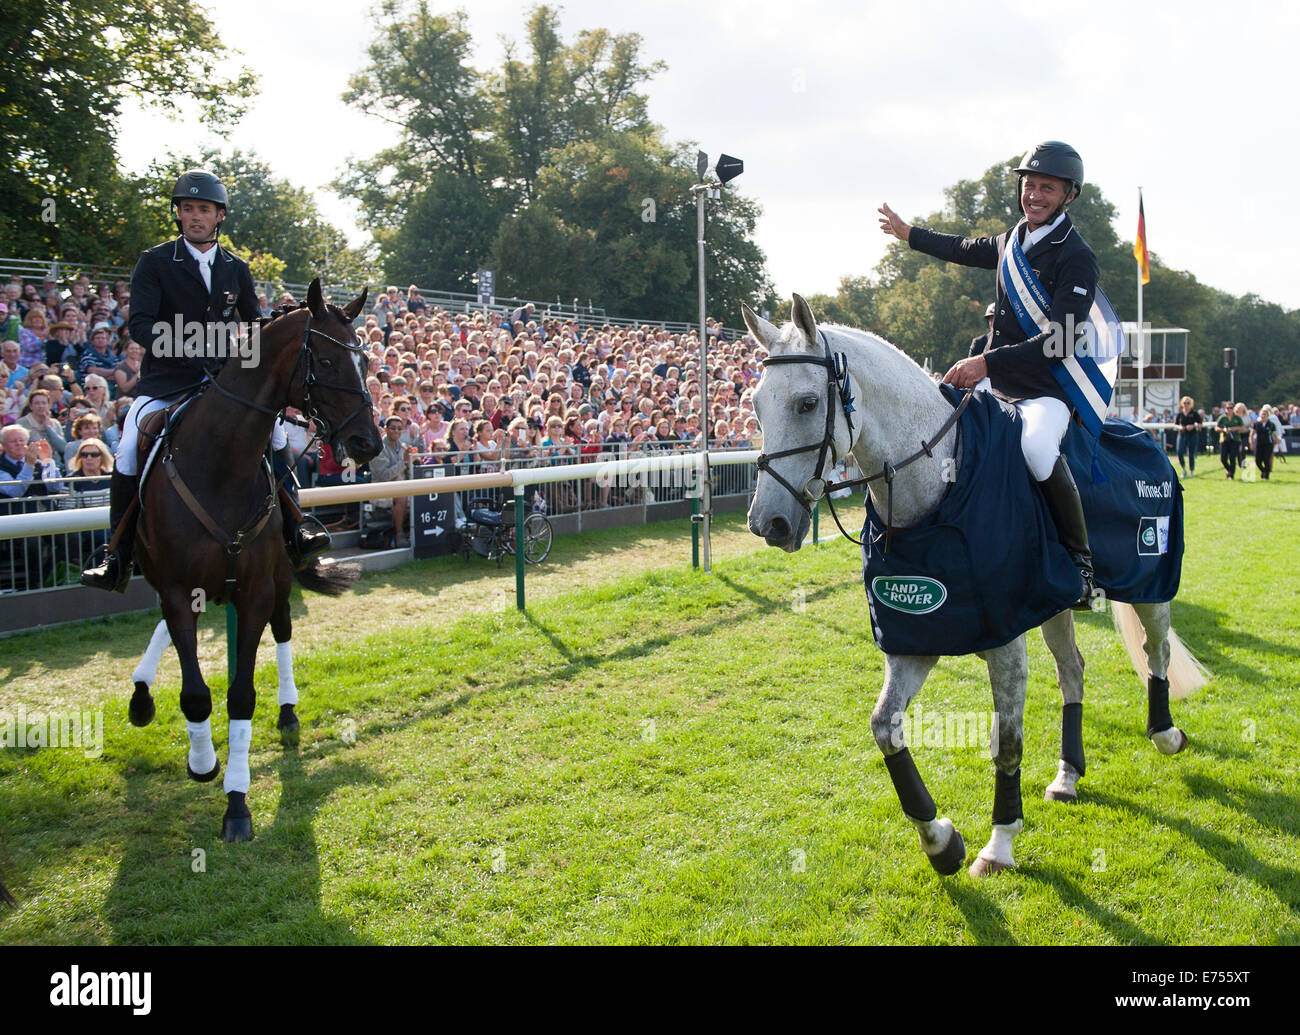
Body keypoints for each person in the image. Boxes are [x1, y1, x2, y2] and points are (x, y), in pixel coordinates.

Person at [879, 140, 1100, 609]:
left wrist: (986, 363)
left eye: (1047, 188)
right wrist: (909, 234)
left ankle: (1080, 565)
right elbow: (962, 248)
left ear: (1069, 195)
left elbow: (1060, 341)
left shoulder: (1076, 256)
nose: (1034, 195)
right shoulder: (1011, 242)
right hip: (995, 384)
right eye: (1029, 185)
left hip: (1046, 391)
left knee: (1036, 449)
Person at [82, 169, 326, 590]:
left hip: (225, 385)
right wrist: (189, 345)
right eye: (189, 208)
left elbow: (253, 323)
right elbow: (140, 325)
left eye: (204, 209)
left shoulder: (236, 267)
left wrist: (281, 324)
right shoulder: (155, 261)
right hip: (166, 383)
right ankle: (116, 553)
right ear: (178, 214)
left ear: (219, 216)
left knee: (277, 437)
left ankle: (297, 527)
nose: (196, 216)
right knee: (126, 448)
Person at [1174, 396, 1202, 478]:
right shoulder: (1180, 414)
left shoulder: (1194, 413)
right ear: (1182, 404)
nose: (1186, 404)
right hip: (1182, 434)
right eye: (1184, 403)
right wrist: (1180, 427)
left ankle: (1191, 471)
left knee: (1191, 453)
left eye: (1188, 403)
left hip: (1192, 435)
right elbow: (1175, 424)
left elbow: (1200, 424)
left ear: (1191, 404)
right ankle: (1183, 469)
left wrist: (1193, 426)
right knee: (1179, 452)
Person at [1250, 405, 1280, 480]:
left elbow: (1274, 435)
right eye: (1262, 414)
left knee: (1266, 460)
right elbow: (1252, 434)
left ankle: (1266, 475)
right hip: (1259, 444)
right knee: (1258, 461)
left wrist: (1278, 443)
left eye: (1265, 414)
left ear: (1268, 416)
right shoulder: (1257, 424)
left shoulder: (1271, 424)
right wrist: (1251, 443)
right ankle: (1263, 471)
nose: (1263, 416)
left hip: (1268, 444)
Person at [1216, 401, 1244, 479]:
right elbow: (1216, 427)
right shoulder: (1222, 417)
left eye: (1231, 408)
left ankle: (1231, 475)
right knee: (1223, 458)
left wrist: (1234, 428)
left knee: (1232, 457)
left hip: (1235, 439)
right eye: (1227, 408)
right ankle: (1229, 469)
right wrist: (1223, 430)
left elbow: (1242, 427)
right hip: (1224, 439)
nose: (1229, 409)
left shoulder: (1237, 418)